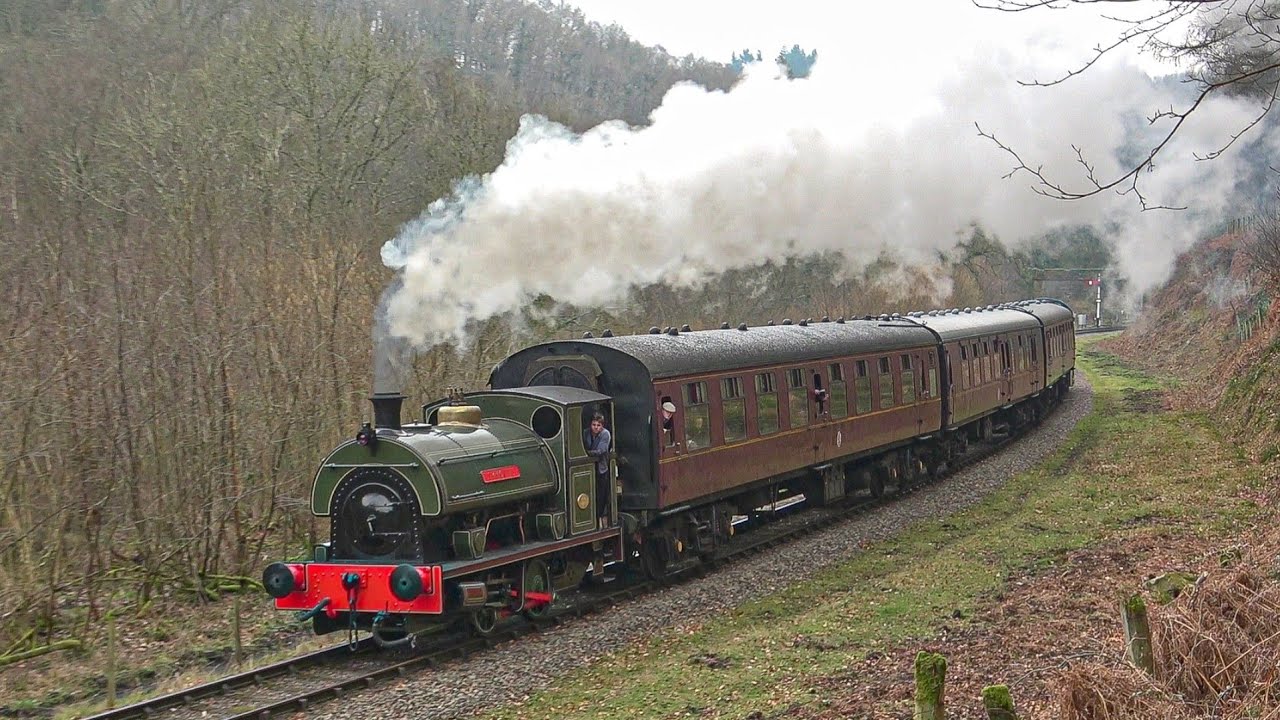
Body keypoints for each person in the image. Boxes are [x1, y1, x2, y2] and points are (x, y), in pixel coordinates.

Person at [584, 412, 612, 528]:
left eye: (598, 425)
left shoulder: (605, 434)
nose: (596, 427)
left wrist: (586, 453)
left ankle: (600, 517)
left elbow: (601, 450)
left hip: (601, 468)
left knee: (601, 495)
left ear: (602, 426)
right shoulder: (586, 433)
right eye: (594, 425)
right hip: (588, 468)